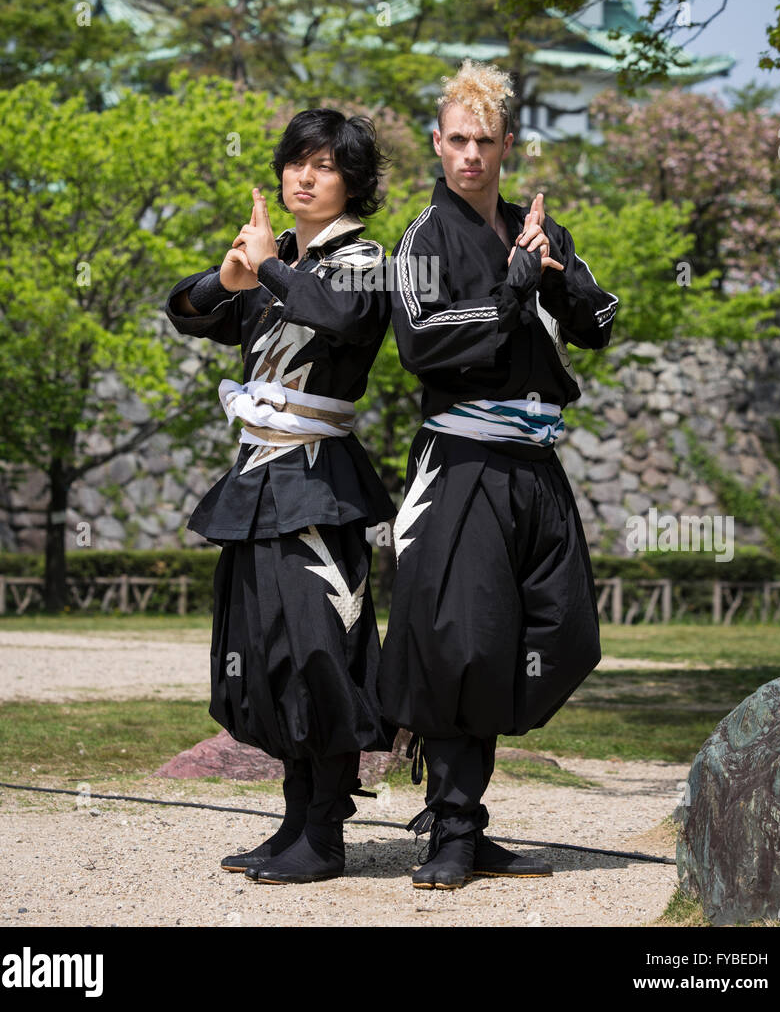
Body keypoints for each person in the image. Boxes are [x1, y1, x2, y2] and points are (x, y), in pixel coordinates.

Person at [379, 59, 619, 890]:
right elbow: (421, 343)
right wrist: (514, 287)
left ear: (508, 144)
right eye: (457, 141)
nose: (471, 156)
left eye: (486, 141)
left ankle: (465, 811)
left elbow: (599, 325)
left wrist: (561, 277)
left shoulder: (540, 229)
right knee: (462, 644)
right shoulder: (421, 238)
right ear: (438, 145)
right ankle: (453, 826)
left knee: (563, 632)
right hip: (462, 460)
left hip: (536, 464)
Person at [163, 109, 396, 885]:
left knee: (318, 651)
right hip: (258, 479)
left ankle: (325, 835)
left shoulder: (364, 259)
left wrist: (268, 270)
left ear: (353, 181)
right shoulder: (281, 259)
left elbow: (348, 318)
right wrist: (226, 277)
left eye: (326, 165)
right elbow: (186, 313)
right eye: (297, 161)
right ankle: (294, 820)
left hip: (319, 481)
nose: (305, 176)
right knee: (265, 654)